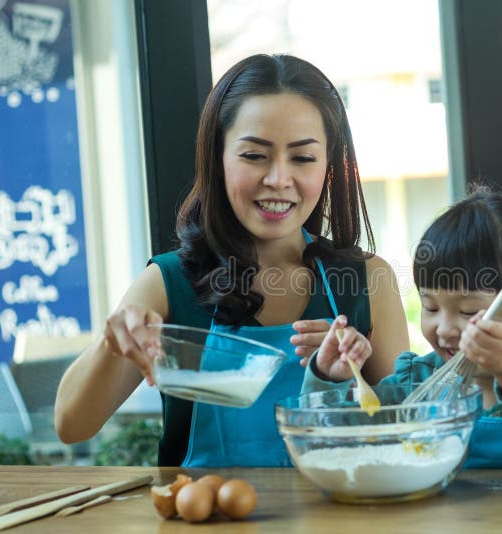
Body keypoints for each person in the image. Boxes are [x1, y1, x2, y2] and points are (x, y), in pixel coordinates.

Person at [55, 54, 409, 467]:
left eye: (303, 158)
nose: (278, 178)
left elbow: (405, 434)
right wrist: (112, 342)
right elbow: (71, 425)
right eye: (255, 156)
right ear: (218, 158)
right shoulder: (168, 283)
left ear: (328, 165)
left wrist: (350, 380)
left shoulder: (369, 280)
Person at [303, 189, 502, 482]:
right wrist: (329, 379)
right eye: (430, 307)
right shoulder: (415, 383)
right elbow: (330, 445)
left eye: (469, 312)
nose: (443, 329)